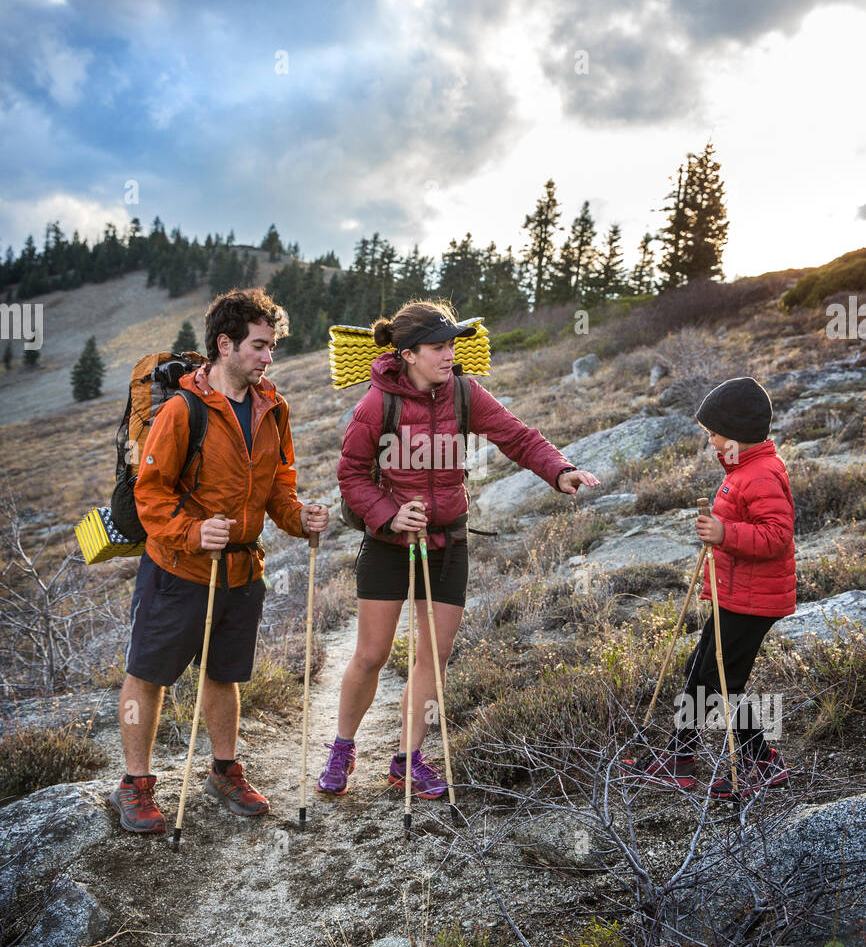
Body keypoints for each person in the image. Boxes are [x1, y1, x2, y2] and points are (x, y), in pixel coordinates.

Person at [316, 299, 600, 799]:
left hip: (449, 541)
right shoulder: (374, 405)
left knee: (434, 655)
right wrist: (389, 514)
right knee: (371, 654)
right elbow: (352, 477)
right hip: (389, 546)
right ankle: (342, 747)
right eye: (438, 347)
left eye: (452, 345)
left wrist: (559, 469)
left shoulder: (465, 393)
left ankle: (408, 758)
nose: (449, 355)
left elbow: (517, 436)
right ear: (407, 354)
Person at [109, 287, 329, 833]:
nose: (268, 357)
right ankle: (134, 785)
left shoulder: (273, 409)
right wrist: (190, 531)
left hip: (241, 570)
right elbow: (150, 493)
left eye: (272, 346)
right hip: (178, 570)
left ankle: (224, 769)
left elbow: (279, 484)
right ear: (224, 344)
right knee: (147, 675)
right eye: (258, 345)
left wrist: (299, 517)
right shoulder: (183, 410)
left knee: (224, 673)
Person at [623, 376, 796, 798]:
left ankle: (762, 764)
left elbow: (777, 536)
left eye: (714, 434)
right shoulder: (742, 470)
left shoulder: (760, 475)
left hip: (755, 600)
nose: (711, 442)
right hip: (738, 594)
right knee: (700, 673)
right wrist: (723, 531)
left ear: (736, 434)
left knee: (721, 681)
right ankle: (680, 758)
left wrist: (724, 533)